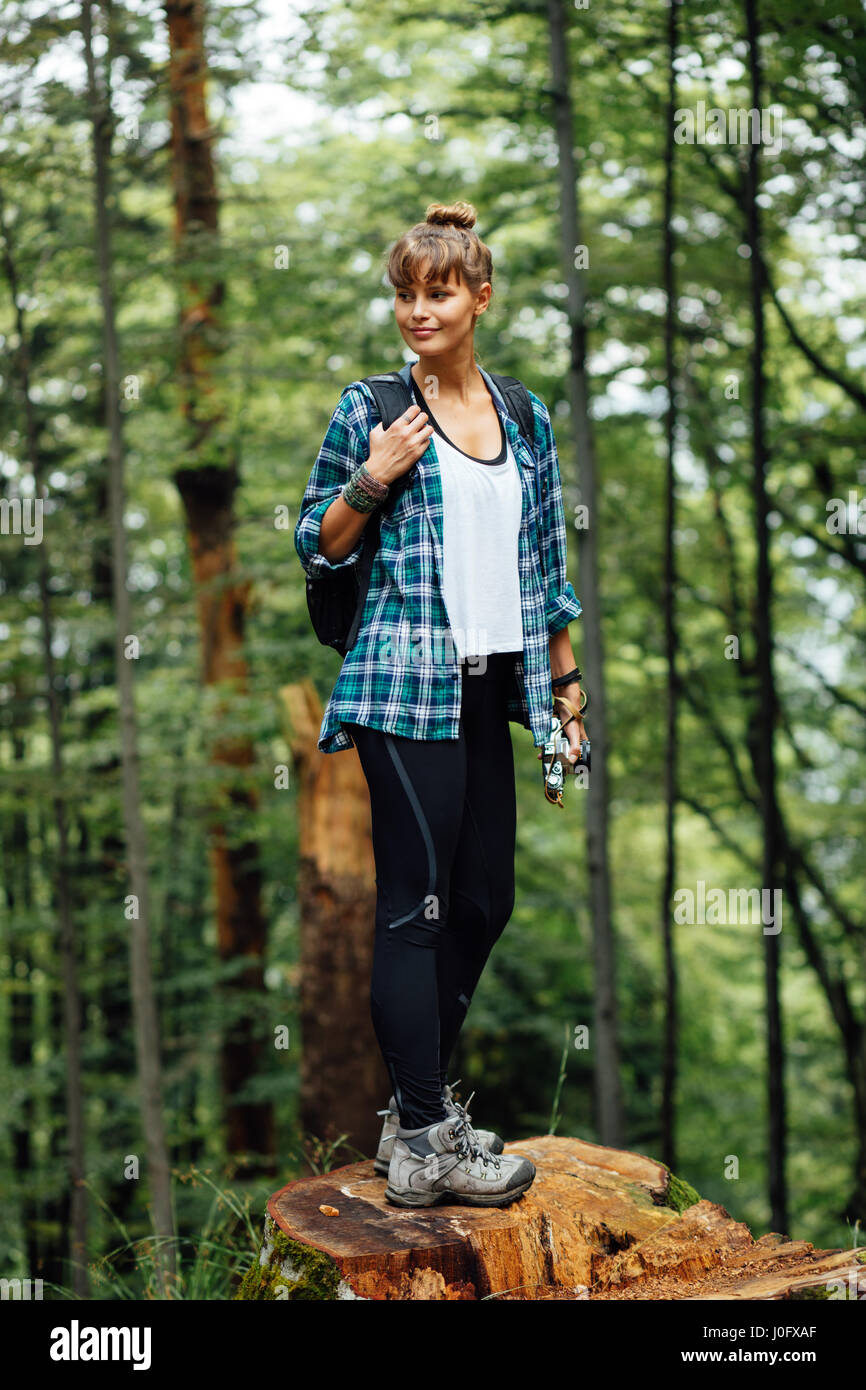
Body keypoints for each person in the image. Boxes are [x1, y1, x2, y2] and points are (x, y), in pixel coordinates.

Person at [294, 201, 586, 1208]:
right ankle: (423, 1135)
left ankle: (409, 1113)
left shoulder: (523, 417)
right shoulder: (370, 407)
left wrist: (566, 693)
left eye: (439, 291)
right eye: (405, 294)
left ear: (479, 297)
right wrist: (371, 478)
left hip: (484, 683)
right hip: (397, 683)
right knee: (413, 910)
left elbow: (546, 565)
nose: (418, 310)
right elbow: (318, 542)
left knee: (482, 901)